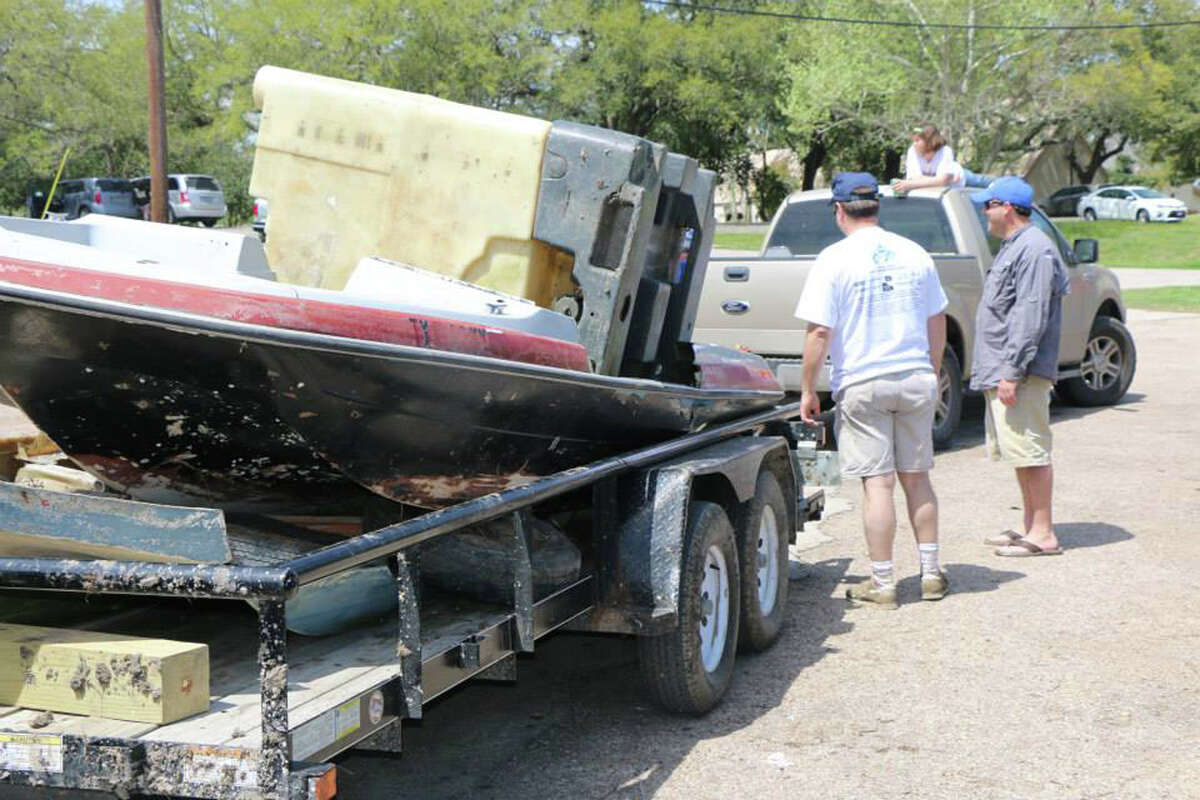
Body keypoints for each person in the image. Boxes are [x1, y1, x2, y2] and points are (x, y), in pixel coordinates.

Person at [796, 172, 950, 609]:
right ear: (878, 207)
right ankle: (932, 573)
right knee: (917, 479)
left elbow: (819, 331)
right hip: (916, 375)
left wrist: (809, 389)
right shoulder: (915, 252)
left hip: (864, 380)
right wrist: (932, 372)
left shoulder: (833, 259)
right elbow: (937, 318)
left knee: (878, 485)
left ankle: (883, 583)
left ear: (839, 210)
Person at [969, 177, 1070, 557]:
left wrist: (1012, 371)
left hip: (1020, 373)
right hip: (1005, 369)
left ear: (1006, 208)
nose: (985, 213)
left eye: (988, 205)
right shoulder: (1016, 247)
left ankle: (1043, 534)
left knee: (1031, 450)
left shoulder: (1035, 250)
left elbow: (1031, 315)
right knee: (1018, 452)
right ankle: (1030, 526)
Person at [893, 123, 992, 193]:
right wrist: (941, 180)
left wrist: (911, 184)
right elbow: (914, 178)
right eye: (913, 140)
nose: (914, 144)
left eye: (917, 140)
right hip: (951, 183)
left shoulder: (945, 151)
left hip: (962, 179)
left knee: (989, 184)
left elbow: (943, 181)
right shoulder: (912, 151)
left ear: (928, 141)